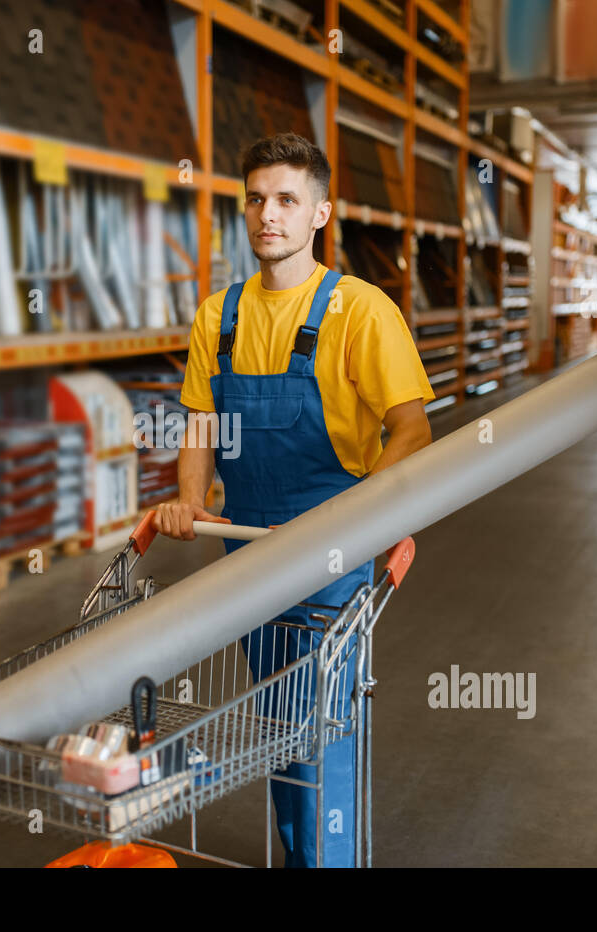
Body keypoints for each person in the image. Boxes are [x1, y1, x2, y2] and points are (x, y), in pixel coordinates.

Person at [153, 132, 434, 866]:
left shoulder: (359, 311)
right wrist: (188, 500)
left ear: (320, 212)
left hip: (333, 555)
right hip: (248, 548)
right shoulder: (219, 316)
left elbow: (412, 426)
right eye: (254, 199)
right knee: (277, 723)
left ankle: (327, 859)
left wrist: (365, 513)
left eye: (285, 199)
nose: (265, 214)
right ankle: (302, 854)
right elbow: (200, 424)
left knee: (321, 727)